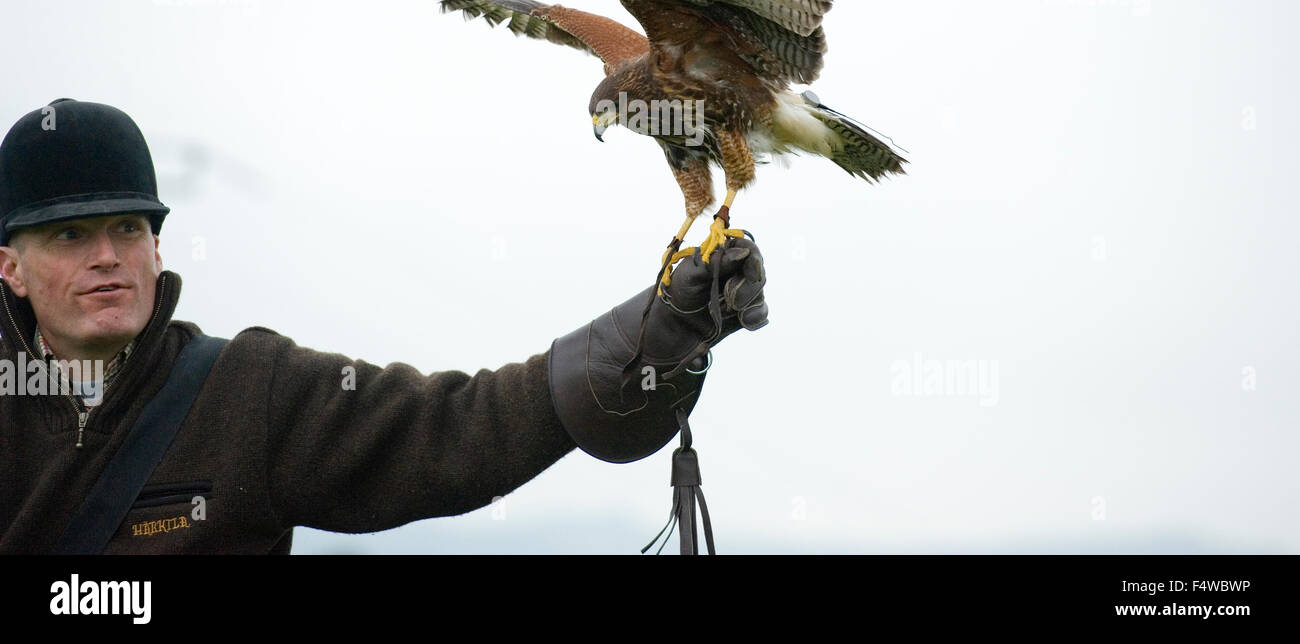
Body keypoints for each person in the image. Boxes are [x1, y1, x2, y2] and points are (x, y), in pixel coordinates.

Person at [0, 99, 768, 553]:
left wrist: (647, 334)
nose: (109, 257)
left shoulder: (243, 392)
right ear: (10, 265)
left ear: (158, 244)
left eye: (128, 229)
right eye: (71, 236)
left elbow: (452, 430)